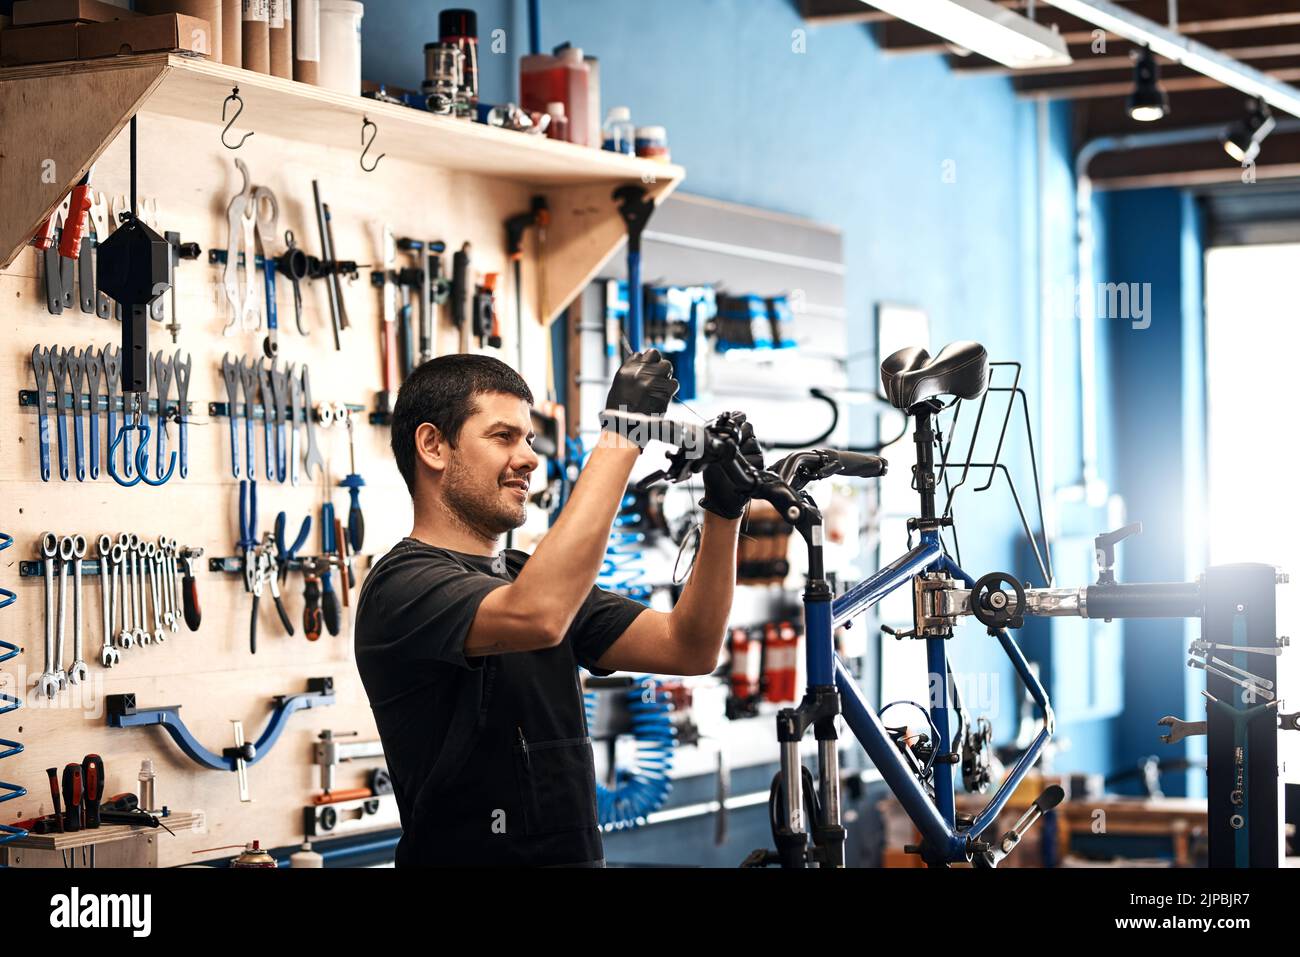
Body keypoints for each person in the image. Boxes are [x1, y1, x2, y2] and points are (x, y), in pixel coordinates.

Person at [354, 350, 763, 866]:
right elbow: (538, 617)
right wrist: (621, 436)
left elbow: (690, 647)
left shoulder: (527, 575)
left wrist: (723, 512)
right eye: (503, 437)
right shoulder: (403, 585)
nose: (528, 457)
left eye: (527, 439)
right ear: (434, 445)